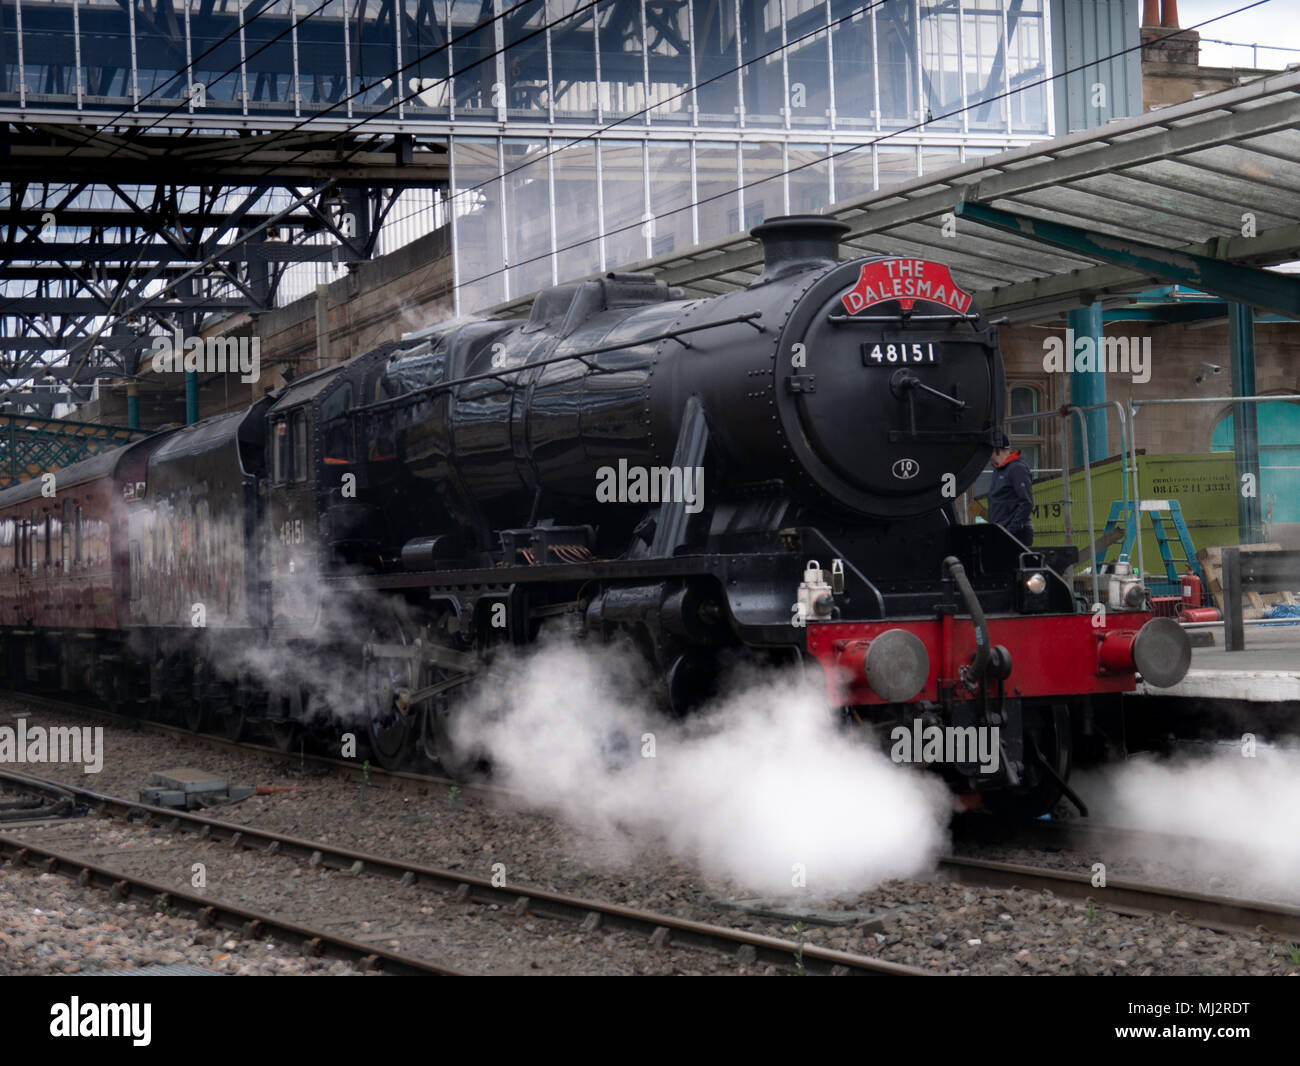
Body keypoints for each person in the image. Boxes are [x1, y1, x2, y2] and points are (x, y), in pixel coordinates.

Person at [988, 432, 1034, 545]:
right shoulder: (998, 470)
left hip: (1015, 533)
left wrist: (1012, 529)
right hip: (1002, 530)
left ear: (997, 449)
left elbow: (1027, 502)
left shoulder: (1017, 468)